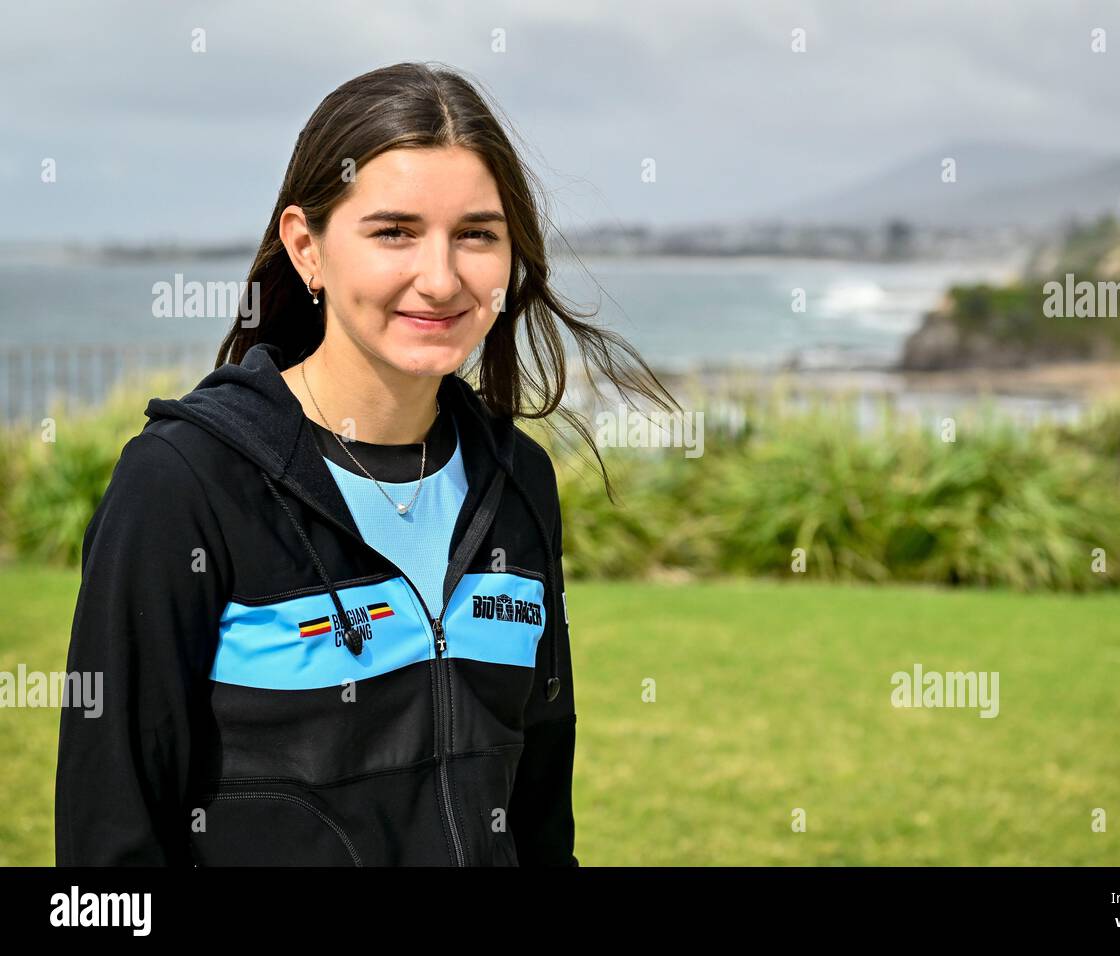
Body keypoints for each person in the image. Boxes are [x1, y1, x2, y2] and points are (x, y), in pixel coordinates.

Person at [54, 61, 679, 866]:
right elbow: (110, 852)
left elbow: (539, 817)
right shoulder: (183, 484)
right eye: (395, 232)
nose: (442, 277)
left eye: (477, 235)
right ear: (307, 248)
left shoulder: (517, 481)